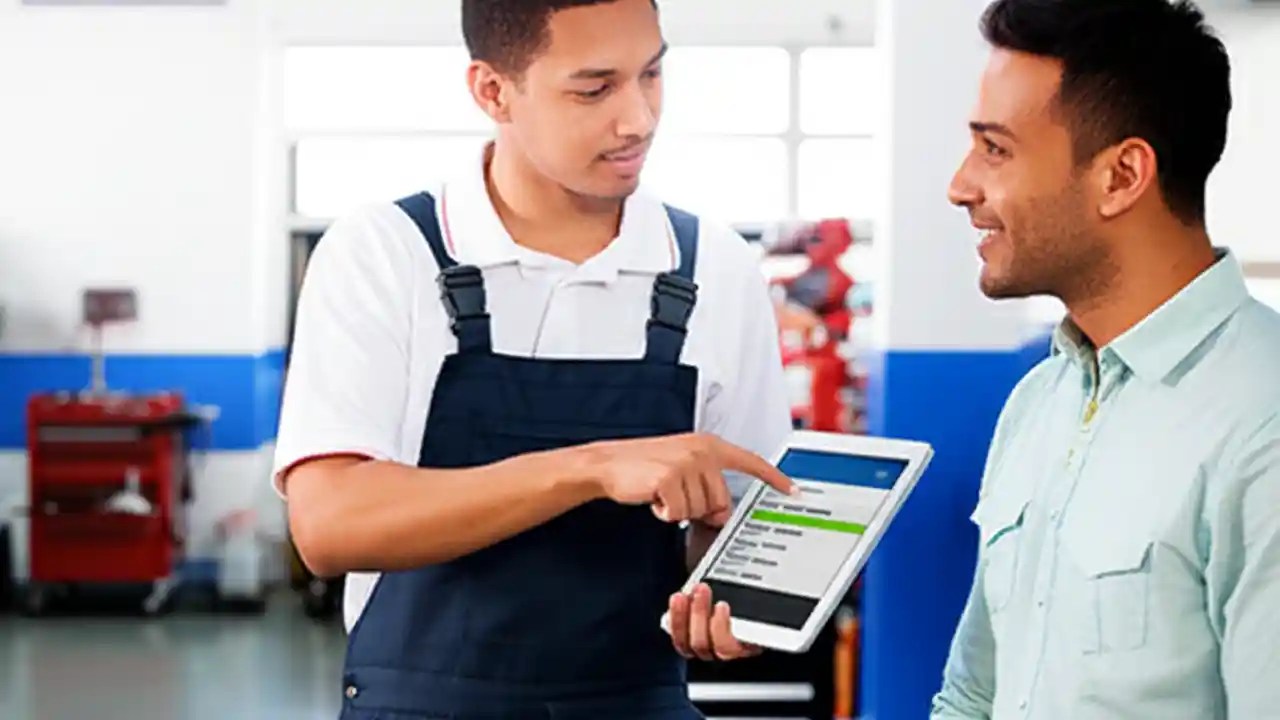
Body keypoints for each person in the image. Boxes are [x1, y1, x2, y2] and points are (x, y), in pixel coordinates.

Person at [273, 0, 796, 717]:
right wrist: (592, 468)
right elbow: (331, 526)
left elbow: (740, 518)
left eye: (651, 74)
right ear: (493, 91)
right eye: (594, 89)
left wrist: (735, 595)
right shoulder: (384, 255)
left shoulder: (716, 269)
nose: (639, 118)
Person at [932, 0, 1280, 718]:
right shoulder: (1039, 402)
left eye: (996, 150)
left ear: (1122, 176)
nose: (960, 186)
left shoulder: (1262, 421)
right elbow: (972, 697)